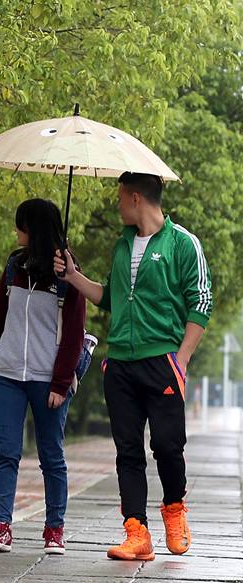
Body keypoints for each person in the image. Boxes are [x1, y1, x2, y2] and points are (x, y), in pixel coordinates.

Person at [54, 171, 212, 561]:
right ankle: (136, 532)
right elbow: (109, 298)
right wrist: (73, 275)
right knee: (127, 451)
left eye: (121, 197)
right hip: (121, 362)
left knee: (168, 446)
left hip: (163, 362)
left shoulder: (183, 244)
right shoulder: (122, 246)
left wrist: (182, 358)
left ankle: (174, 510)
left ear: (137, 197)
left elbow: (201, 303)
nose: (118, 204)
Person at [0, 199, 86, 555]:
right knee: (6, 453)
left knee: (51, 456)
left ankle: (54, 529)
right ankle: (1, 526)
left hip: (48, 378)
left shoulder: (67, 273)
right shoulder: (14, 266)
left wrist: (60, 382)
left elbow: (74, 332)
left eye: (20, 225)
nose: (16, 231)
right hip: (7, 372)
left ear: (34, 229)